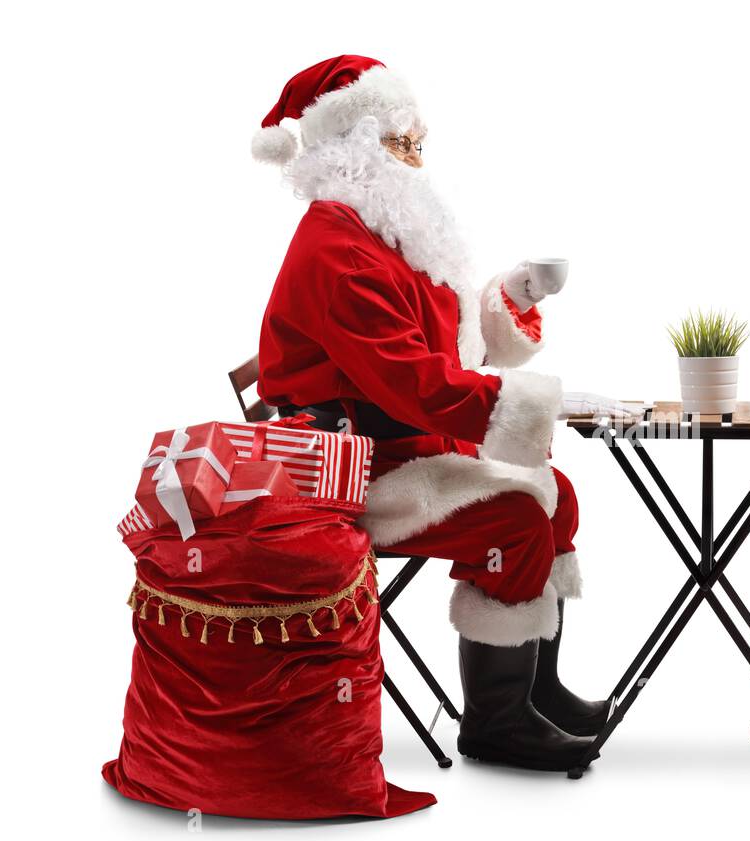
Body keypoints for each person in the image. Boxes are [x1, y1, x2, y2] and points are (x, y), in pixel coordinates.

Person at [251, 55, 639, 772]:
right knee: (517, 518)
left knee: (558, 499)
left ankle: (535, 687)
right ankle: (495, 723)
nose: (417, 162)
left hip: (400, 446)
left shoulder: (385, 234)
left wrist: (515, 293)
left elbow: (446, 342)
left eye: (417, 143)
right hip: (346, 474)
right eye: (403, 144)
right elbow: (414, 383)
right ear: (352, 150)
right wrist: (539, 405)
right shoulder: (335, 245)